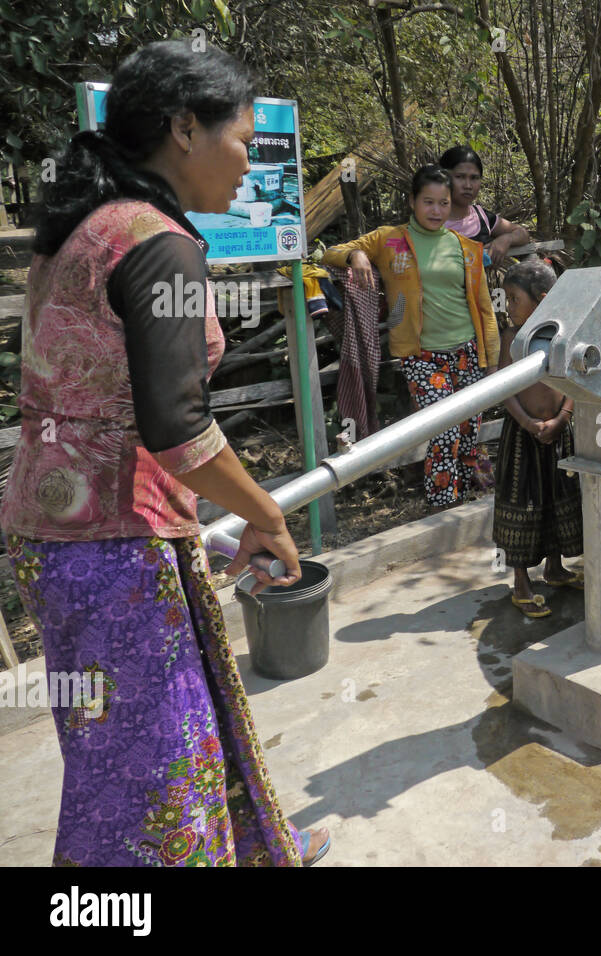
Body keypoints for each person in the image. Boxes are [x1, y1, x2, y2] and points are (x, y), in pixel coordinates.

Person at [0, 40, 327, 866]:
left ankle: (254, 847)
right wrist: (267, 516)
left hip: (59, 535)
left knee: (157, 733)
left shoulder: (83, 228)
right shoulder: (157, 244)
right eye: (244, 140)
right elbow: (179, 429)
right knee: (148, 772)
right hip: (117, 550)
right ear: (186, 128)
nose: (252, 164)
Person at [323, 165, 500, 509]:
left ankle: (475, 497)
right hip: (421, 355)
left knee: (467, 430)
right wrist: (356, 254)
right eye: (428, 202)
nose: (436, 211)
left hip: (467, 350)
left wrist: (491, 361)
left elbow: (484, 309)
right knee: (443, 430)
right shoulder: (389, 239)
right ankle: (443, 504)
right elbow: (332, 252)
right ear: (412, 202)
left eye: (443, 203)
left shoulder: (465, 248)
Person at [492, 261, 583, 617]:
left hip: (560, 431)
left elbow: (576, 381)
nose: (509, 306)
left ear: (542, 300)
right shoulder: (511, 339)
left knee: (560, 499)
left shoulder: (565, 336)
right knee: (521, 505)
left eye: (514, 299)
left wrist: (562, 418)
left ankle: (555, 567)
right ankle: (521, 583)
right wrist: (530, 423)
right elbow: (505, 389)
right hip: (522, 435)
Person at [439, 145, 530, 267]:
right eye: (460, 177)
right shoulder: (432, 219)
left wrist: (506, 239)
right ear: (443, 177)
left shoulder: (481, 217)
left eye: (474, 178)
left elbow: (523, 234)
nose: (468, 185)